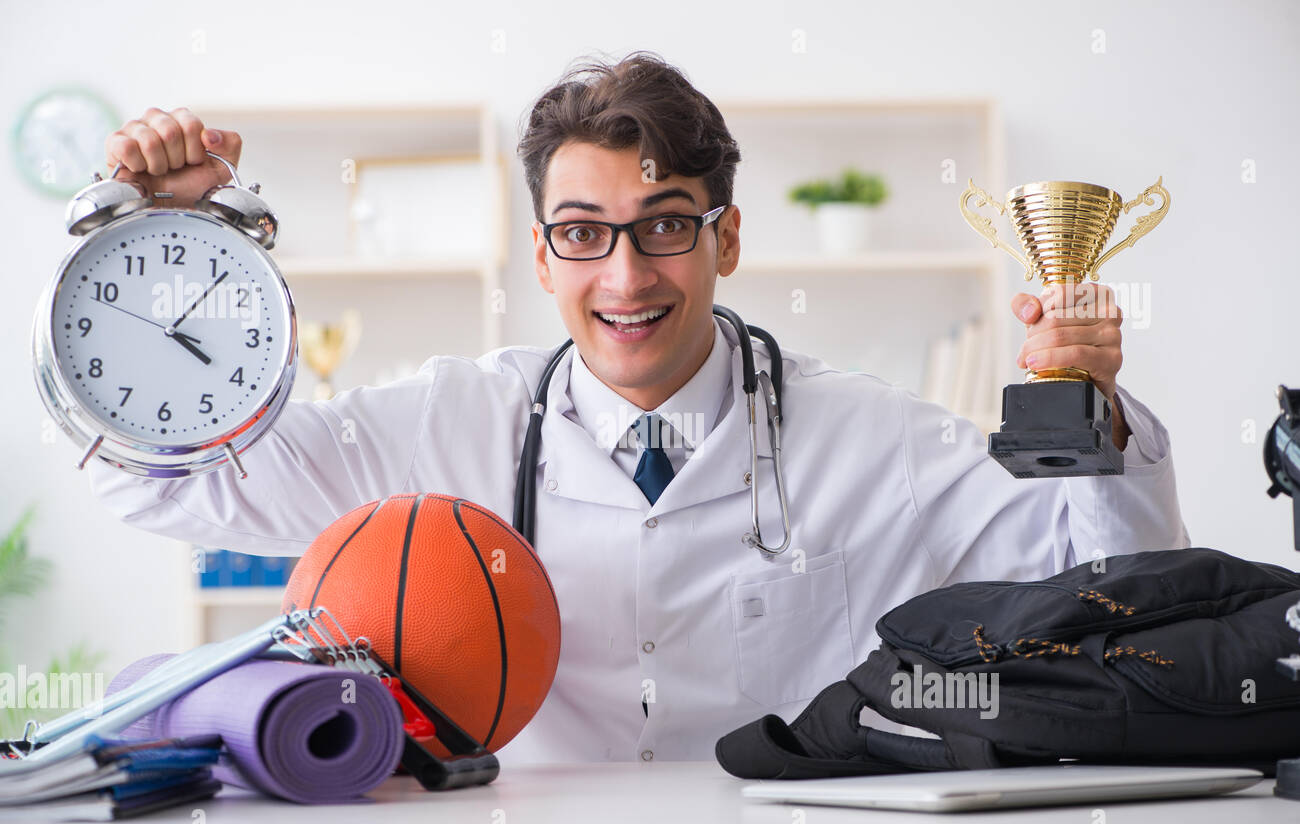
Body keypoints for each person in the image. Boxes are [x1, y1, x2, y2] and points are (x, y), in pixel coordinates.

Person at [88, 51, 1189, 764]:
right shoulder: (444, 425)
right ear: (542, 251)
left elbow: (1112, 589)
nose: (624, 277)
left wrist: (1084, 404)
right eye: (583, 232)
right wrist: (171, 260)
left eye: (665, 224)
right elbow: (172, 483)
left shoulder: (872, 436)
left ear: (728, 238)